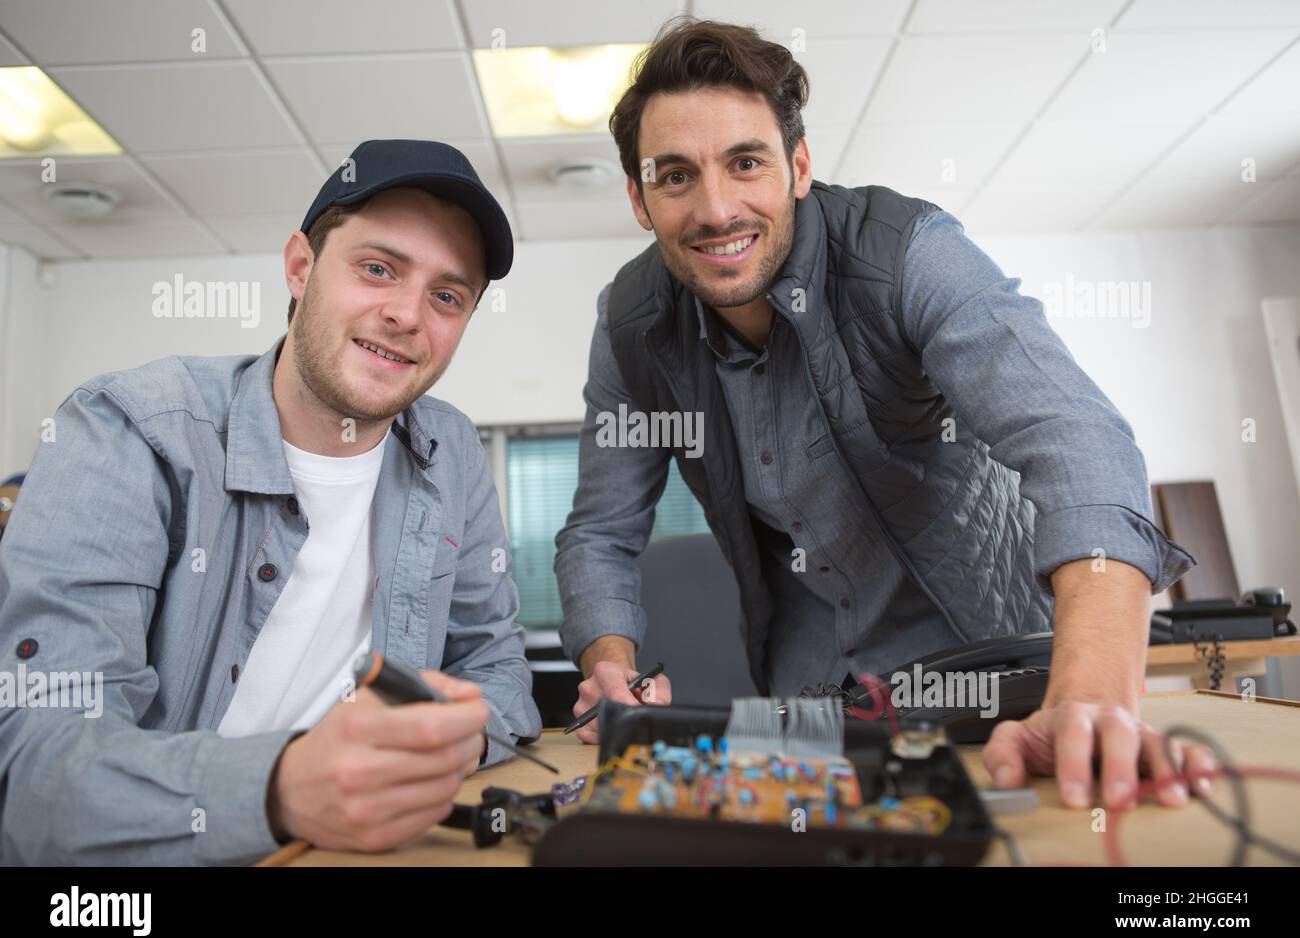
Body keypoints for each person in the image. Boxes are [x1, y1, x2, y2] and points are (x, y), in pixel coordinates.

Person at [554, 19, 1214, 811]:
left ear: (798, 166)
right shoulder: (632, 325)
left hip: (994, 676)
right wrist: (609, 662)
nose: (716, 207)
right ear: (638, 197)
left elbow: (1075, 438)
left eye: (746, 162)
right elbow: (600, 530)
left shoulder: (905, 254)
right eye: (675, 176)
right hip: (810, 701)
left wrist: (1093, 691)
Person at [0, 140, 541, 864]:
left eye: (448, 296)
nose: (408, 315)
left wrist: (450, 739)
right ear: (300, 266)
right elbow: (39, 765)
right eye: (377, 268)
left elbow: (497, 669)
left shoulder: (451, 451)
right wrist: (280, 787)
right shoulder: (125, 432)